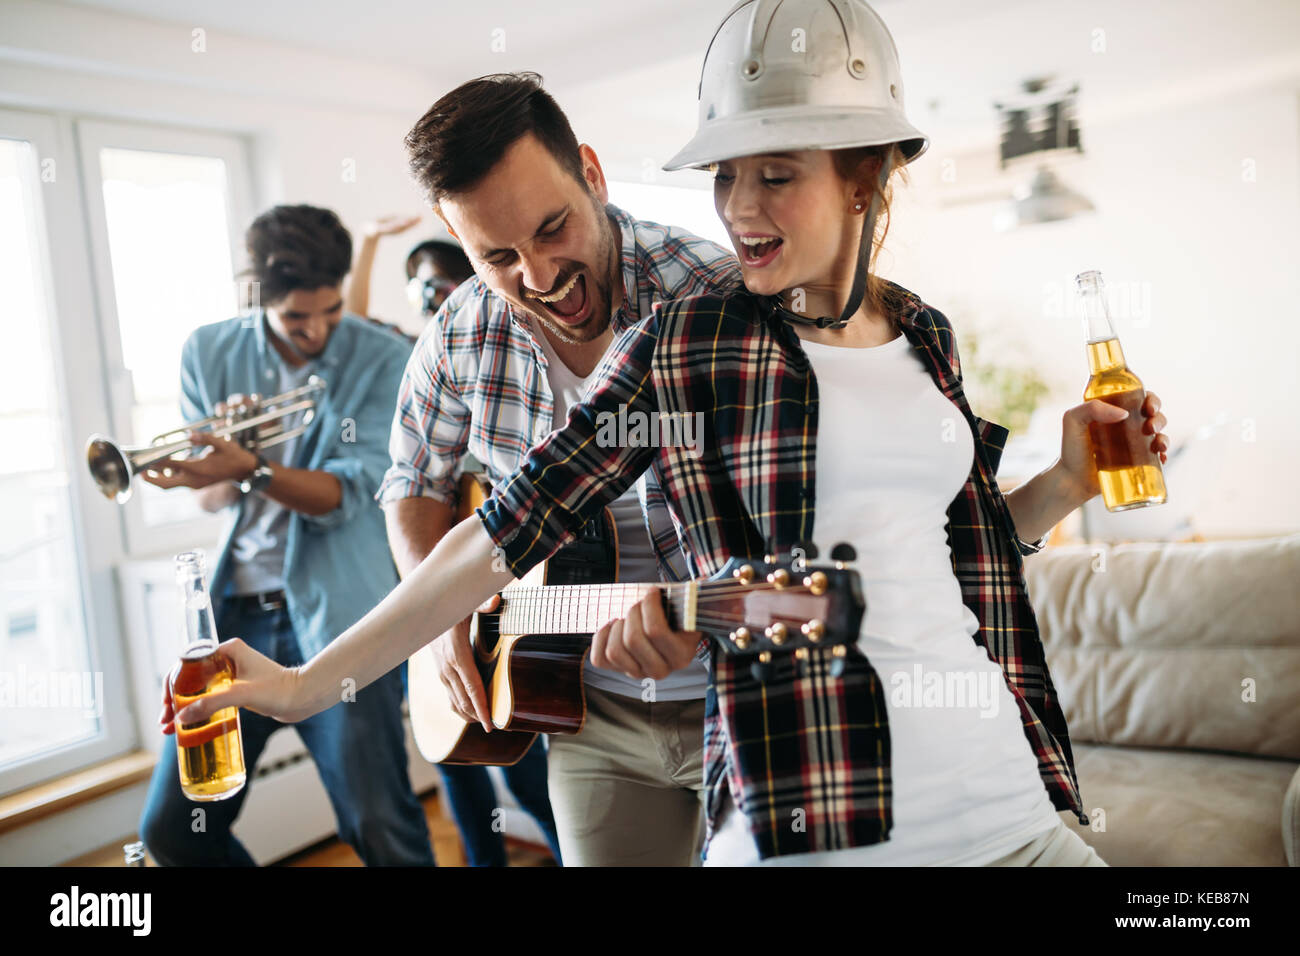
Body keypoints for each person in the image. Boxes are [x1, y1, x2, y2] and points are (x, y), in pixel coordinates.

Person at [166, 2, 1170, 867]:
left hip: (946, 771)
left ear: (862, 176)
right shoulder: (672, 334)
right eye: (728, 176)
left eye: (774, 173)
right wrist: (323, 679)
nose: (536, 275)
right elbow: (489, 522)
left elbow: (949, 550)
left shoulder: (894, 326)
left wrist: (1070, 481)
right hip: (692, 743)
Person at [377, 73, 741, 866]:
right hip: (583, 716)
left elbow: (805, 511)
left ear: (593, 173)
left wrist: (707, 615)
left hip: (741, 700)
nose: (542, 277)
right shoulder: (460, 334)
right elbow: (413, 481)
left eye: (554, 229)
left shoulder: (718, 299)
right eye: (499, 256)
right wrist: (440, 615)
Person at [138, 204, 434, 866]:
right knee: (173, 828)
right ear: (258, 298)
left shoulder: (383, 358)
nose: (319, 330)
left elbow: (349, 493)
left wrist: (254, 464)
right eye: (297, 317)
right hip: (237, 613)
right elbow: (213, 496)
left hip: (344, 617)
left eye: (330, 310)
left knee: (380, 825)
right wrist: (232, 454)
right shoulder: (209, 350)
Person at [349, 208, 563, 867]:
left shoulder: (501, 343)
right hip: (428, 588)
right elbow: (352, 327)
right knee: (453, 756)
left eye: (439, 277)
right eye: (415, 281)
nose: (427, 292)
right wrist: (369, 243)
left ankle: (567, 851)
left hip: (507, 587)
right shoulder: (404, 351)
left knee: (524, 757)